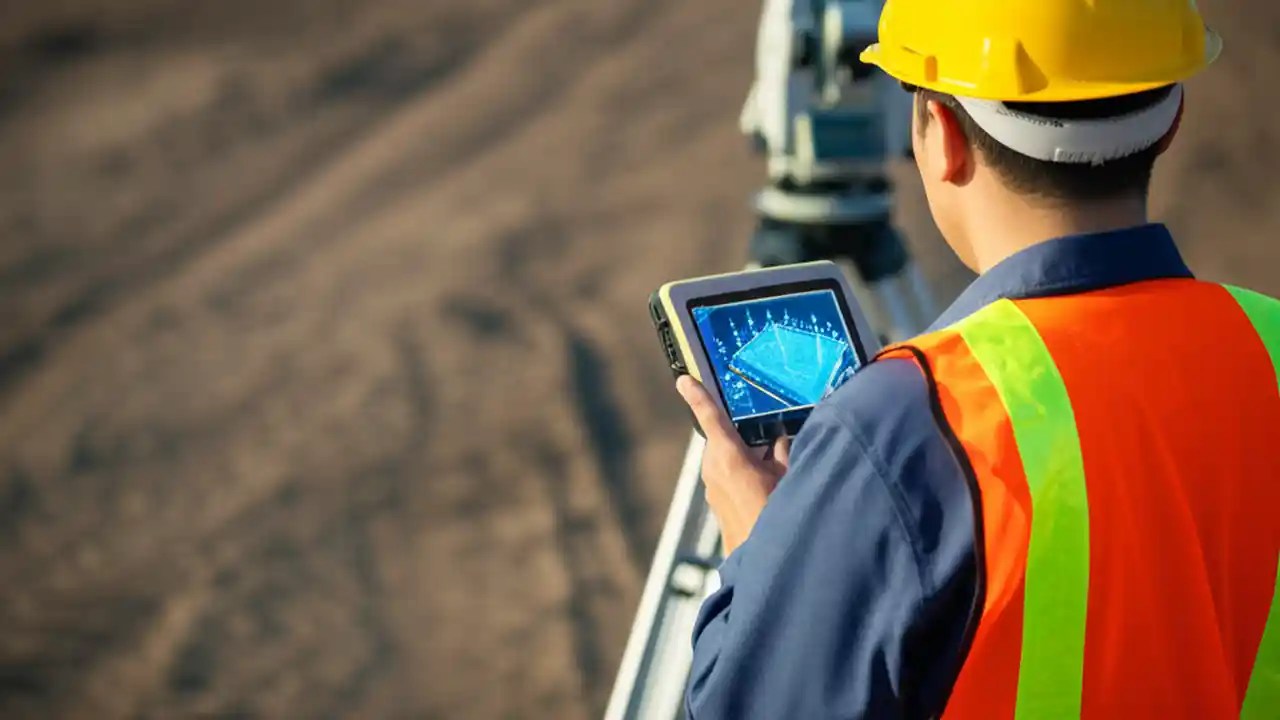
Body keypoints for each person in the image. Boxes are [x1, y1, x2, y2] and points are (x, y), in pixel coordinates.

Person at [677, 1, 1280, 718]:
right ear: (1172, 119)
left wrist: (763, 556)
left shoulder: (908, 422)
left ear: (941, 134)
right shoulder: (1269, 343)